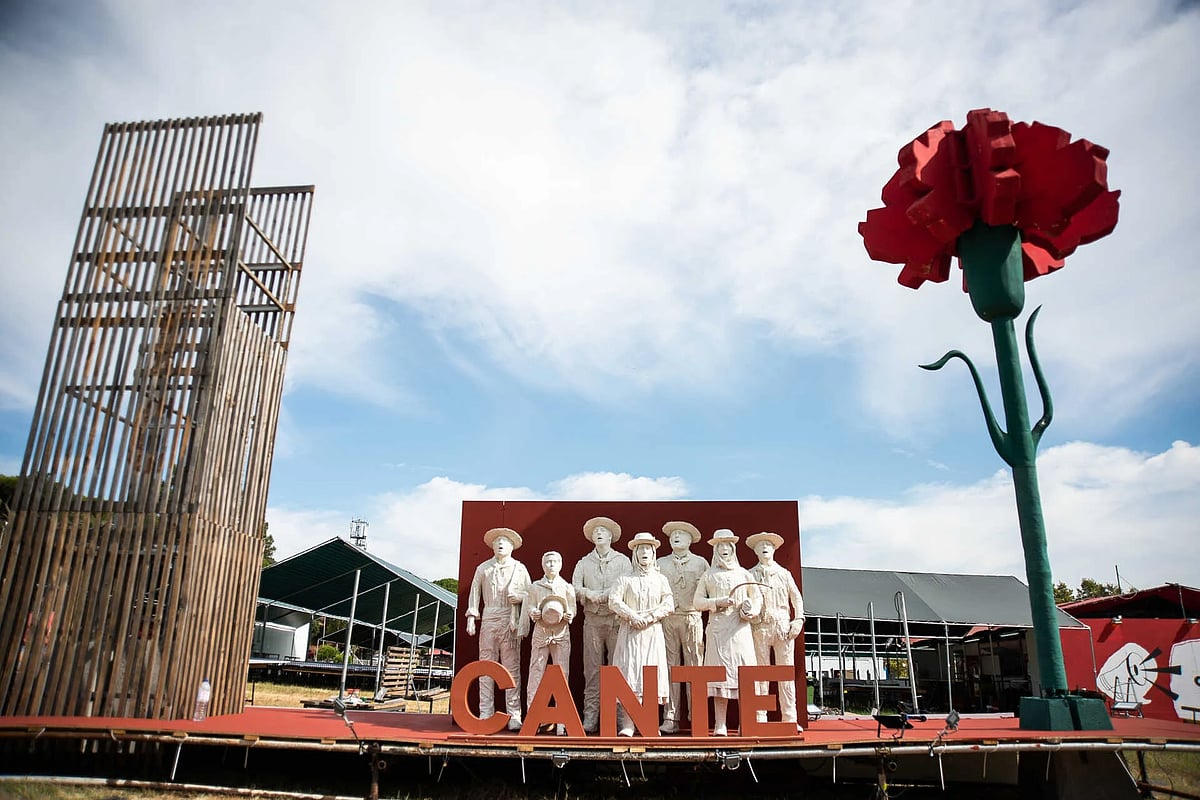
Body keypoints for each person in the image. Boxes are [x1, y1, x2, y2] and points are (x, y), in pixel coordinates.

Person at [693, 528, 761, 736]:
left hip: (740, 630)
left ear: (733, 549)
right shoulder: (709, 575)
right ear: (715, 550)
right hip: (718, 631)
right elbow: (697, 602)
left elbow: (757, 598)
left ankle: (745, 721)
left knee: (743, 674)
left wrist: (750, 609)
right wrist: (717, 602)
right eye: (719, 546)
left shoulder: (744, 574)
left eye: (727, 546)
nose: (723, 549)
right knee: (718, 675)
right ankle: (719, 723)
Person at [465, 527, 532, 731]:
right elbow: (474, 593)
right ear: (492, 546)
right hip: (489, 618)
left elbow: (532, 593)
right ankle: (486, 711)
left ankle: (514, 714)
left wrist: (520, 598)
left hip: (509, 619)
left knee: (512, 668)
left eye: (505, 541)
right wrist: (471, 617)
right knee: (486, 665)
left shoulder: (520, 569)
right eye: (497, 541)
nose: (500, 544)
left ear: (512, 546)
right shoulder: (483, 568)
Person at [609, 531, 674, 736]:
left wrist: (652, 617)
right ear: (635, 553)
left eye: (648, 548)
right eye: (641, 549)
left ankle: (648, 722)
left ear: (654, 553)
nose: (645, 552)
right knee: (629, 673)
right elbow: (614, 601)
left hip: (652, 632)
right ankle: (627, 724)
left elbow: (669, 603)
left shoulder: (661, 579)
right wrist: (631, 616)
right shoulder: (625, 579)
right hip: (630, 632)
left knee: (651, 674)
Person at [571, 516, 632, 733]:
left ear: (610, 536)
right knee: (592, 671)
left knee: (618, 670)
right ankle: (591, 716)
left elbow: (628, 585)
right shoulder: (583, 562)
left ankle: (619, 718)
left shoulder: (623, 561)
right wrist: (589, 593)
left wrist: (607, 595)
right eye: (595, 531)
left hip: (616, 621)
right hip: (593, 621)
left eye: (603, 531)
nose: (599, 533)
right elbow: (574, 587)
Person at [746, 531, 805, 733]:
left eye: (768, 545)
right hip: (759, 627)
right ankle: (759, 715)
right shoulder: (750, 575)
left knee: (785, 673)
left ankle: (789, 717)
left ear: (774, 549)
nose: (764, 548)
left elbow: (796, 599)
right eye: (760, 545)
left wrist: (798, 619)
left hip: (782, 627)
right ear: (754, 550)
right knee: (760, 673)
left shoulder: (784, 574)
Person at [656, 520, 708, 734]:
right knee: (670, 667)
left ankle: (697, 716)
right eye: (673, 534)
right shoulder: (660, 563)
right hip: (668, 619)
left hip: (692, 617)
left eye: (681, 534)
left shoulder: (700, 563)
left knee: (694, 667)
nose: (676, 536)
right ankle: (671, 717)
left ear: (690, 539)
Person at [521, 551, 576, 734]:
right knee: (536, 671)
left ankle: (563, 720)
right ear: (543, 565)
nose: (551, 565)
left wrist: (570, 615)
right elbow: (529, 605)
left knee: (562, 673)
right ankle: (533, 717)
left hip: (561, 632)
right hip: (541, 631)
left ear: (560, 564)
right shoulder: (535, 586)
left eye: (554, 562)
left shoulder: (567, 587)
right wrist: (533, 612)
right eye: (548, 562)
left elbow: (572, 608)